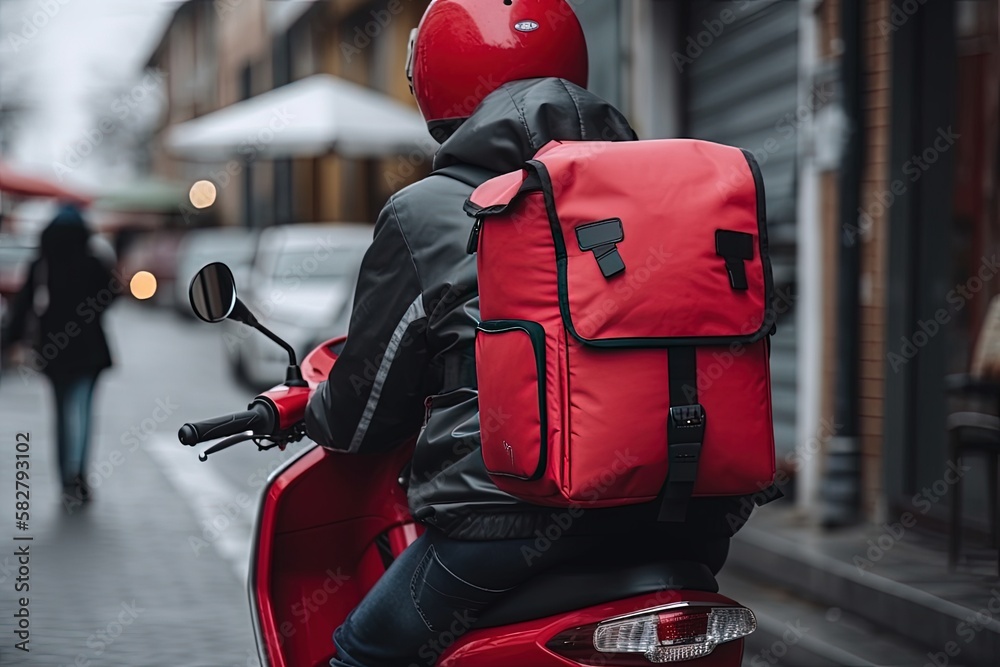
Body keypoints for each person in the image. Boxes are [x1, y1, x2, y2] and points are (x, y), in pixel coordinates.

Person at [305, 2, 746, 665]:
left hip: (504, 527)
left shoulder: (424, 210)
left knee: (359, 653)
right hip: (688, 519)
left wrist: (314, 407)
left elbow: (361, 416)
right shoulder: (669, 194)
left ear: (429, 75)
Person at [1, 204, 117, 504]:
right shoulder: (93, 261)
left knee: (62, 414)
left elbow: (23, 305)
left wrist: (9, 341)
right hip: (90, 351)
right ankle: (78, 474)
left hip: (54, 350)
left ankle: (67, 477)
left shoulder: (42, 263)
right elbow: (111, 295)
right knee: (82, 412)